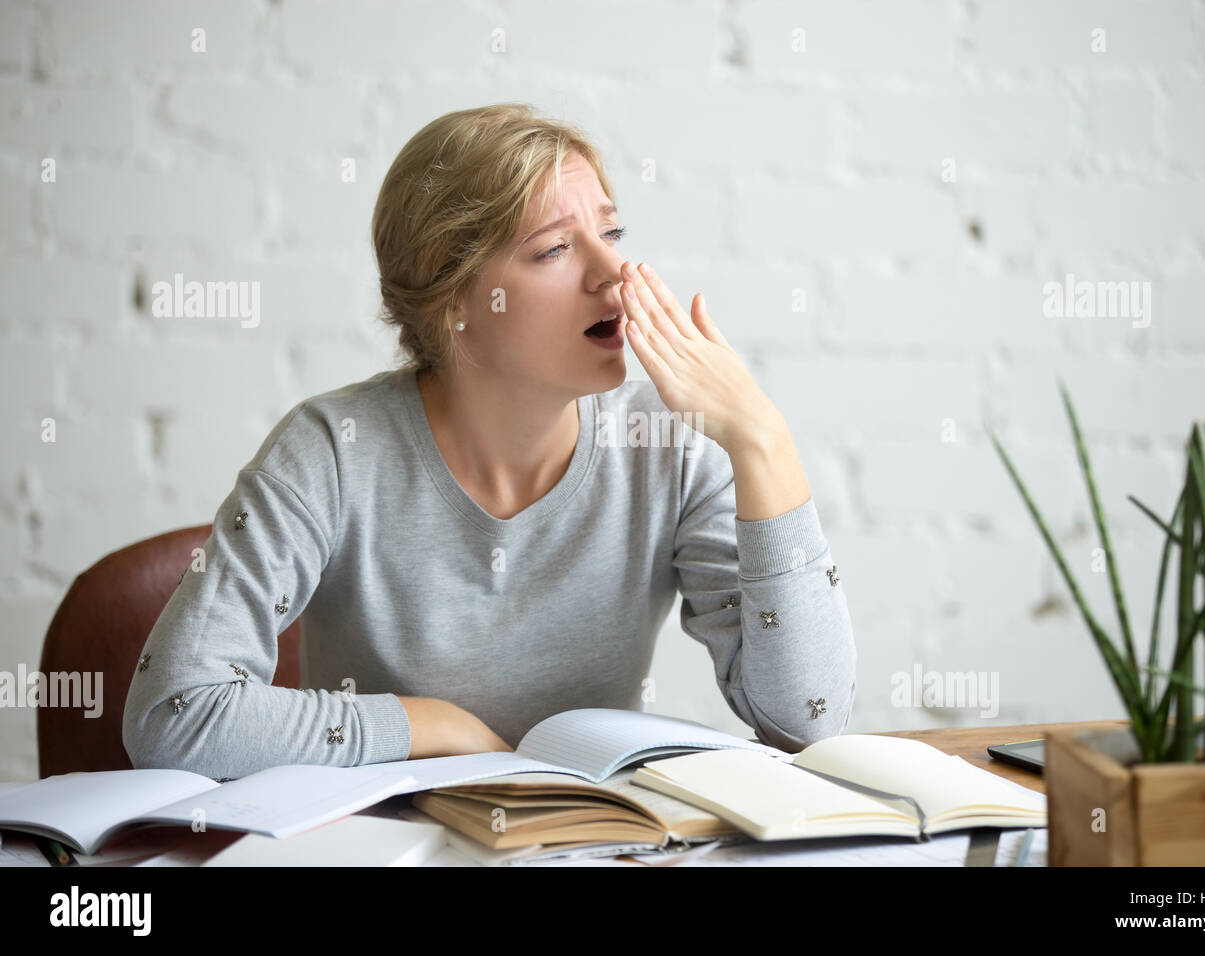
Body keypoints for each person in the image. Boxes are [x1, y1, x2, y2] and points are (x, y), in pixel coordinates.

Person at [122, 103, 857, 781]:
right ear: (454, 301)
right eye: (554, 251)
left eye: (611, 233)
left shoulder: (667, 447)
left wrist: (762, 442)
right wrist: (425, 726)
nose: (614, 275)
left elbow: (806, 721)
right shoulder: (332, 450)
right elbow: (170, 713)